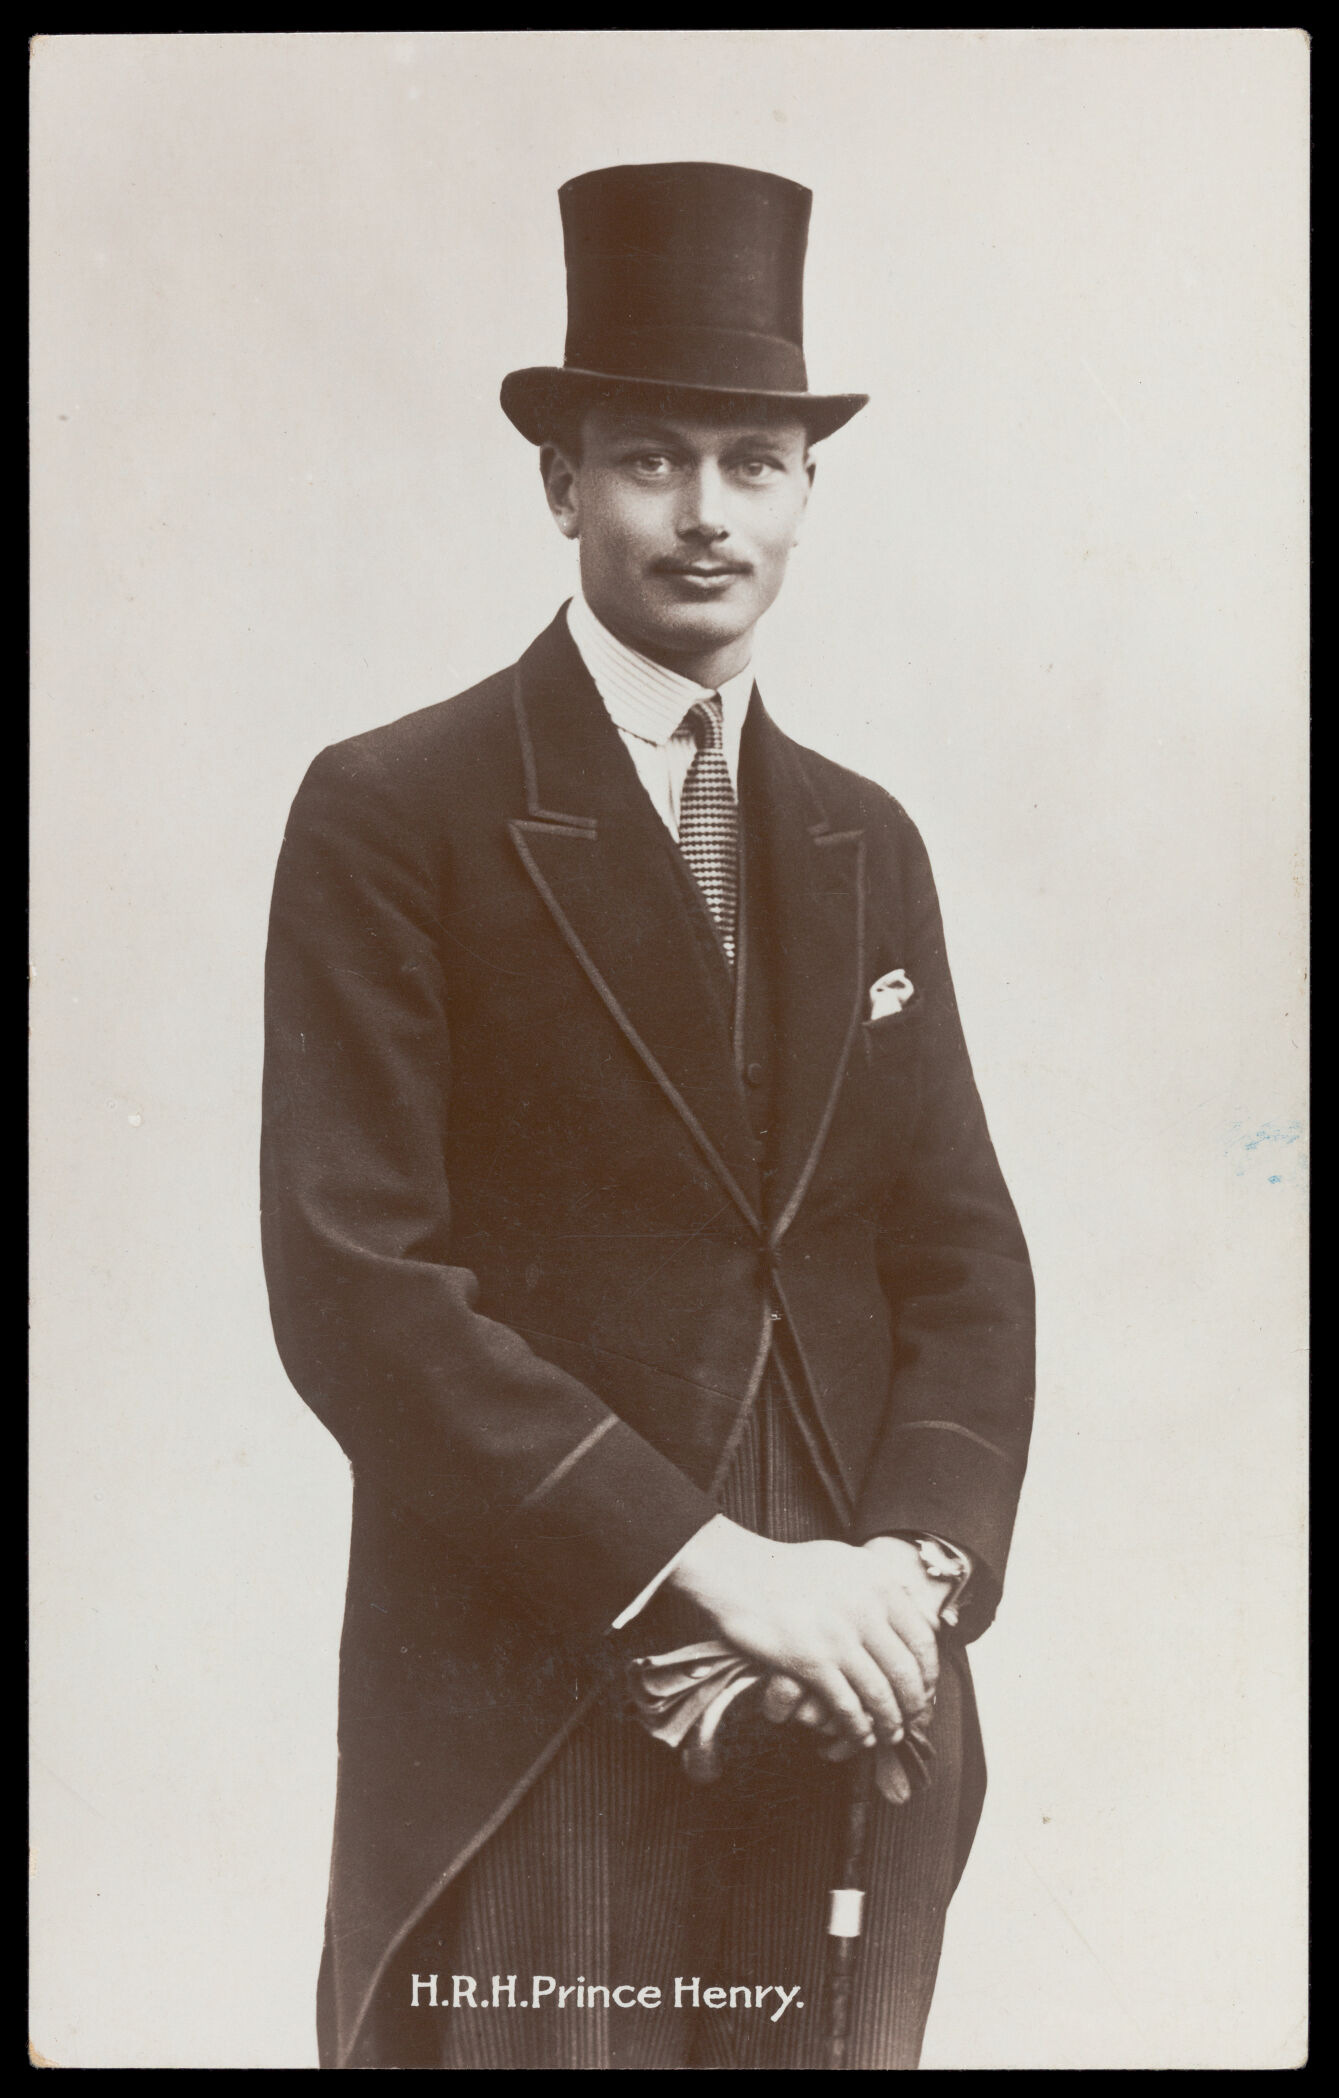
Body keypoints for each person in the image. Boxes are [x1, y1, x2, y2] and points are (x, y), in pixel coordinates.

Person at [261, 159, 1034, 2071]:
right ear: (561, 485)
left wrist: (907, 1579)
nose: (706, 516)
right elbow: (358, 1286)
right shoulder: (396, 808)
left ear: (805, 494)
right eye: (652, 457)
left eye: (753, 463)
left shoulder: (871, 840)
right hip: (540, 1700)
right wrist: (711, 1563)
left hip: (848, 1711)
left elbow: (961, 1260)